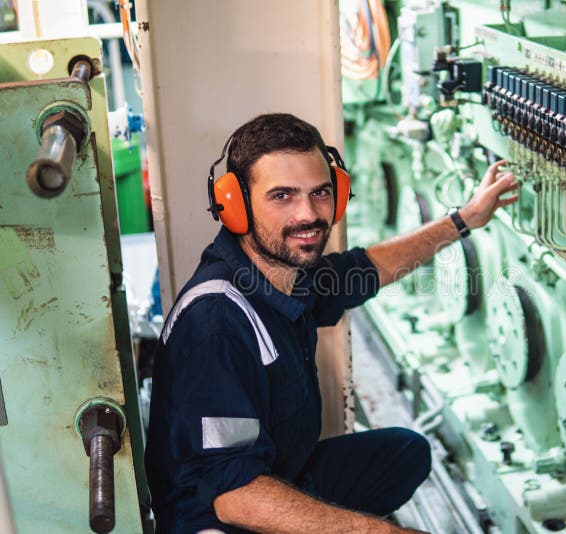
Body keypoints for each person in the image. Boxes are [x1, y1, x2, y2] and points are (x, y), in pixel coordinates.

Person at [145, 113, 518, 533]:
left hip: (280, 470)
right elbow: (234, 495)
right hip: (220, 516)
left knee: (405, 453)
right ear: (235, 205)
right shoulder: (217, 321)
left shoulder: (284, 272)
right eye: (282, 196)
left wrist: (463, 219)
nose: (308, 214)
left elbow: (369, 266)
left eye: (320, 193)